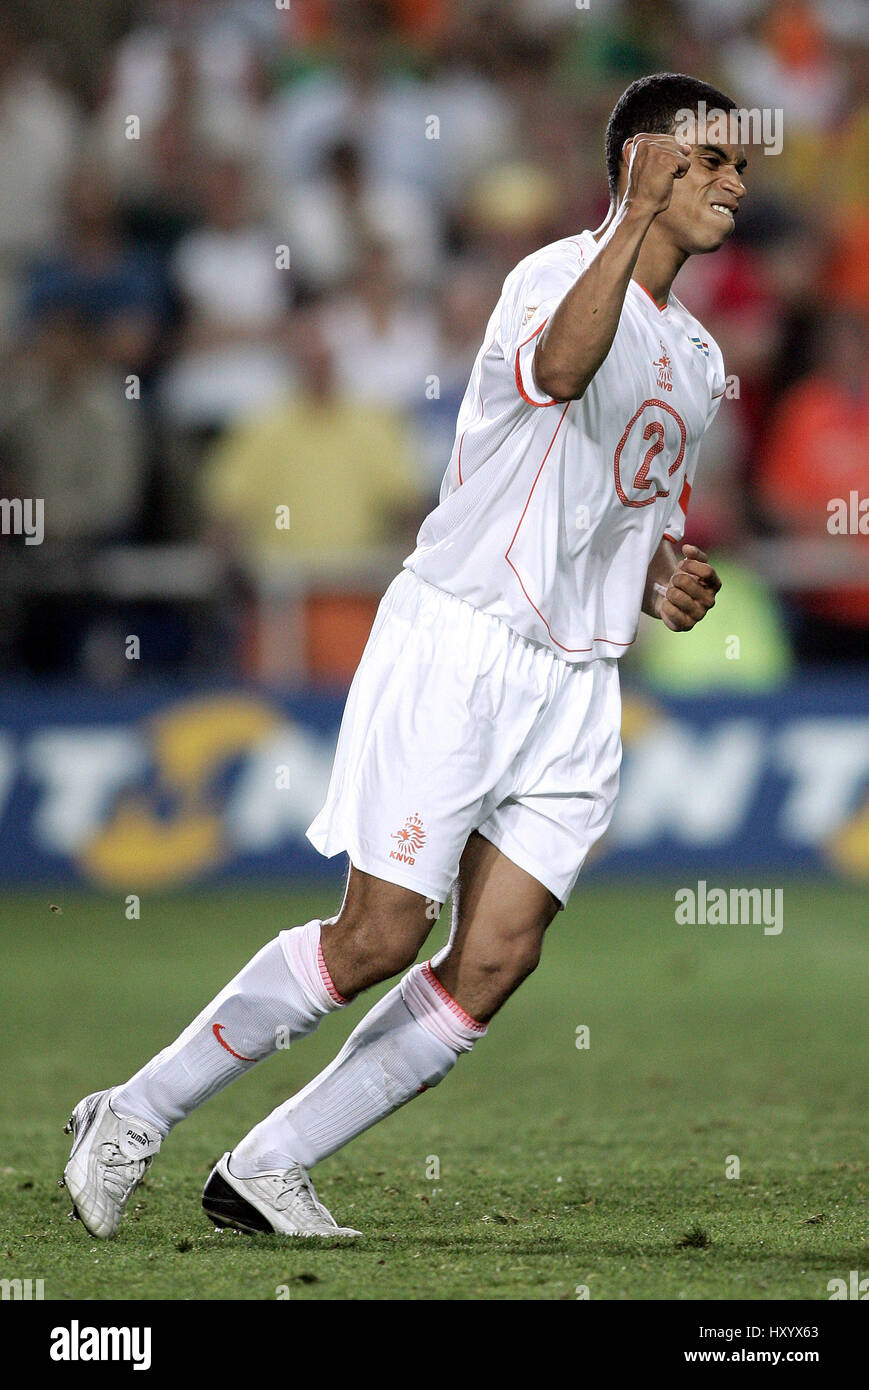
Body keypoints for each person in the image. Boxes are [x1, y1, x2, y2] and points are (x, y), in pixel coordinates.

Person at [62, 73, 738, 1239]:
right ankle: (129, 1110)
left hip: (574, 681)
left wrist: (657, 573)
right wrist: (626, 220)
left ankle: (267, 1165)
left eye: (738, 163)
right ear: (641, 164)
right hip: (461, 642)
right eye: (708, 159)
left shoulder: (700, 361)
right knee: (379, 932)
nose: (735, 179)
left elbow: (618, 508)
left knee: (497, 956)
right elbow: (562, 376)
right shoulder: (548, 279)